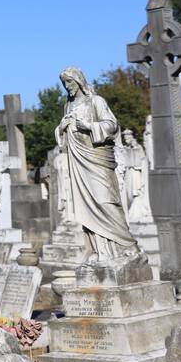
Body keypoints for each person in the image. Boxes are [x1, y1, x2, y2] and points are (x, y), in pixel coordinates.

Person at [54, 66, 138, 259]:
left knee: (105, 200)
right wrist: (61, 128)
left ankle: (125, 246)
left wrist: (89, 126)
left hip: (97, 160)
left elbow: (112, 125)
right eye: (64, 83)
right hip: (78, 163)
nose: (67, 87)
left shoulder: (96, 101)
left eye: (70, 82)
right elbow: (62, 137)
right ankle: (97, 251)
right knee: (86, 206)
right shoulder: (68, 106)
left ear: (79, 81)